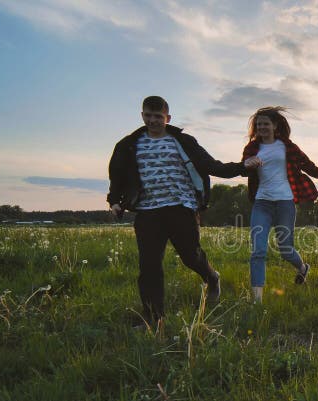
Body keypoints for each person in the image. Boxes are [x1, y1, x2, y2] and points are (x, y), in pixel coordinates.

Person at [107, 95, 255, 327]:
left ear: (168, 118)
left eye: (158, 116)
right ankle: (154, 319)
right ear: (142, 115)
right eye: (148, 115)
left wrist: (240, 168)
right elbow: (117, 174)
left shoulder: (183, 141)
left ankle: (211, 277)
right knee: (149, 265)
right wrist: (114, 200)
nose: (153, 120)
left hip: (181, 207)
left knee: (190, 256)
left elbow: (209, 165)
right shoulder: (128, 144)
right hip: (147, 211)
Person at [241, 106, 318, 303]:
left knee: (285, 249)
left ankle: (303, 268)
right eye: (258, 124)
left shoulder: (287, 146)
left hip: (285, 203)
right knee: (258, 250)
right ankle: (257, 301)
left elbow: (309, 166)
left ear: (275, 125)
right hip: (262, 203)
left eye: (265, 124)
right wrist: (247, 164)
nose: (262, 127)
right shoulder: (251, 148)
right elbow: (243, 167)